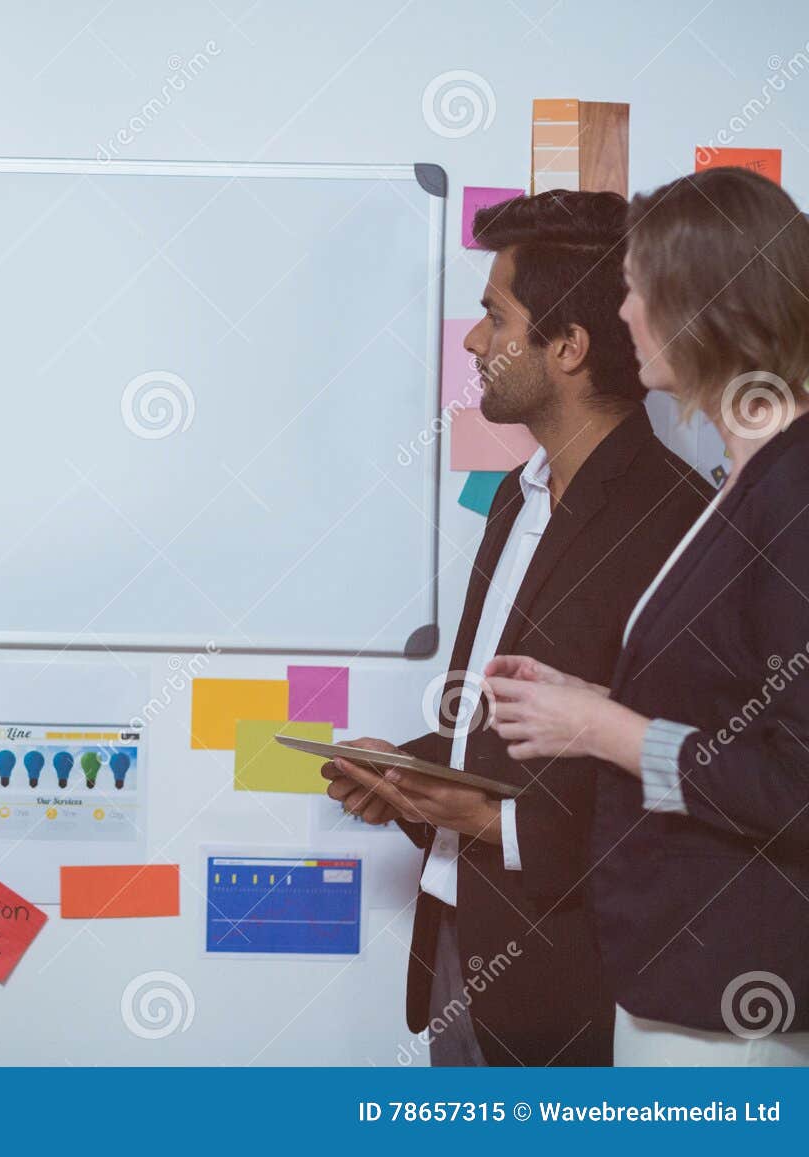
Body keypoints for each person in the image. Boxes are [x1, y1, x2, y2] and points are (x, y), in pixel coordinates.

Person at [324, 190, 709, 1066]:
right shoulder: (515, 494)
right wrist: (412, 774)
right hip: (460, 943)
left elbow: (692, 768)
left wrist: (496, 821)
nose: (473, 341)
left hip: (575, 984)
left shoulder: (679, 523)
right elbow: (505, 725)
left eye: (496, 317)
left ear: (567, 347)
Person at [488, 167, 809, 1064]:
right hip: (676, 976)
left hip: (737, 997)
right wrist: (588, 699)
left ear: (700, 302)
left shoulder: (794, 488)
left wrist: (602, 726)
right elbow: (732, 705)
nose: (625, 316)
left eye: (636, 290)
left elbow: (797, 782)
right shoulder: (748, 479)